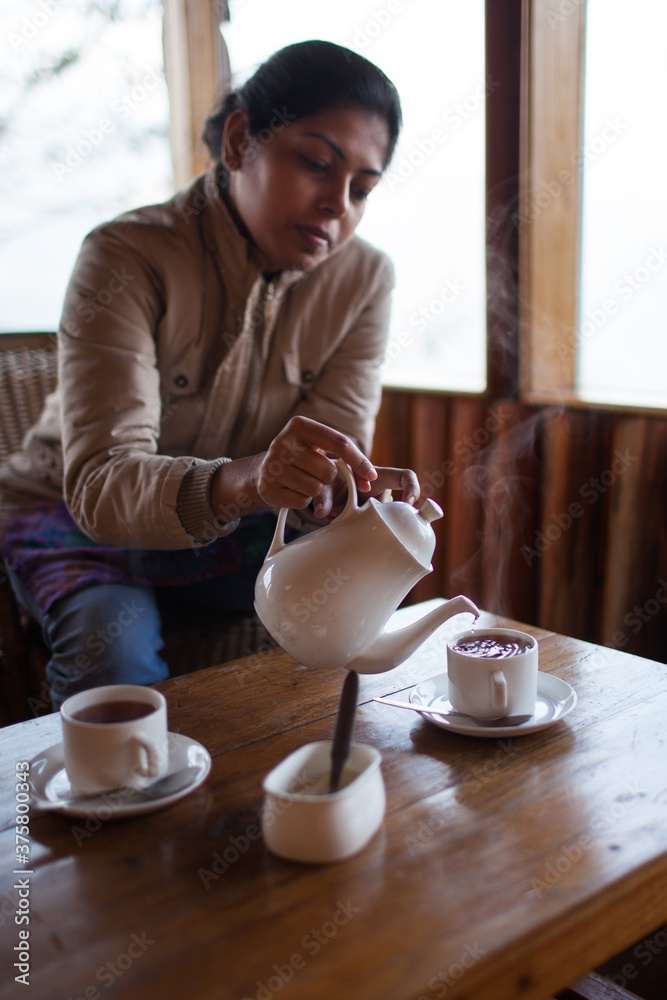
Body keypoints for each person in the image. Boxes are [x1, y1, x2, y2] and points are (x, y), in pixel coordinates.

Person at [0, 40, 420, 710]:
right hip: (76, 522)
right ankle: (98, 812)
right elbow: (101, 486)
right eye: (315, 162)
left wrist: (359, 503)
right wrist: (249, 479)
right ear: (237, 141)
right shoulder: (125, 256)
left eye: (362, 189)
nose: (336, 205)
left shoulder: (364, 279)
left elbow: (329, 458)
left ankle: (289, 805)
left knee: (348, 611)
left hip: (240, 526)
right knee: (114, 665)